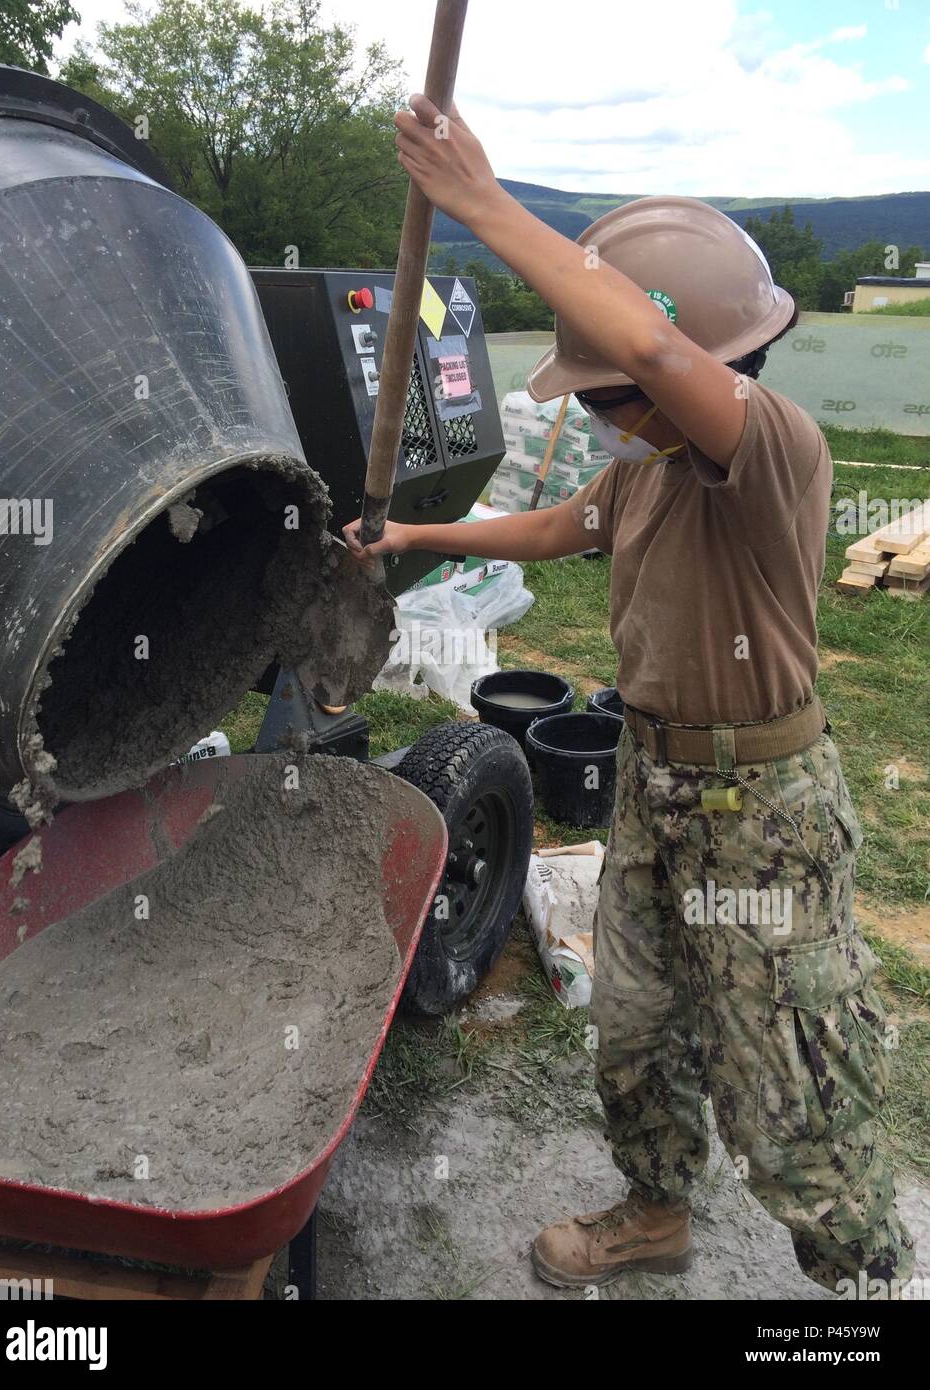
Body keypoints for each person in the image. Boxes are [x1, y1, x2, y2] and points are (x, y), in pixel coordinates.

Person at [344, 96, 914, 1297]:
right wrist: (413, 529)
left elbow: (654, 353)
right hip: (654, 783)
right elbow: (558, 524)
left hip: (759, 808)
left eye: (601, 394)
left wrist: (481, 204)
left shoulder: (767, 451)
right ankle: (653, 1211)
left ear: (694, 369)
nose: (594, 412)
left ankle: (864, 1288)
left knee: (786, 1076)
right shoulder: (650, 469)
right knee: (637, 1028)